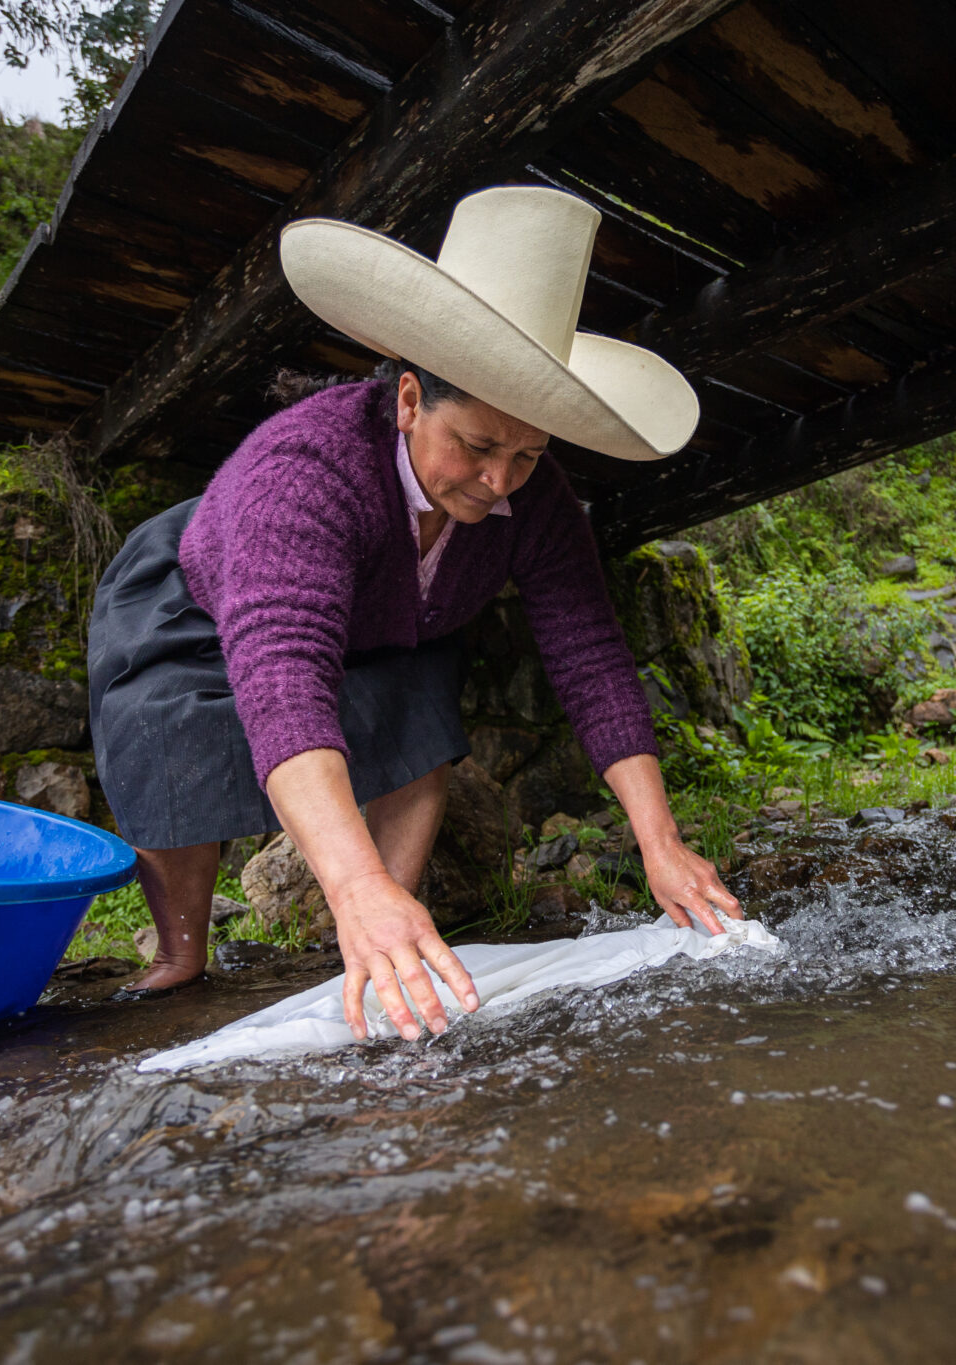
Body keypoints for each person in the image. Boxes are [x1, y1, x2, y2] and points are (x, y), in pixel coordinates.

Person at [86, 185, 741, 1044]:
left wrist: (660, 840)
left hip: (390, 618)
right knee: (164, 723)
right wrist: (347, 886)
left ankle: (389, 927)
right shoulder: (305, 473)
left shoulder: (532, 499)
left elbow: (589, 652)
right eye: (475, 446)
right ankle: (187, 950)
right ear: (406, 401)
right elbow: (284, 679)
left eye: (527, 454)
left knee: (421, 696)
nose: (499, 480)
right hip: (211, 590)